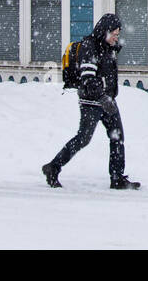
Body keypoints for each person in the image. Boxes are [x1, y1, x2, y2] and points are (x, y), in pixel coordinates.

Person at [43, 13, 139, 190]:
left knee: (117, 137)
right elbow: (88, 78)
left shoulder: (108, 47)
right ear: (105, 31)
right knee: (83, 138)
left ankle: (117, 178)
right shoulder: (91, 47)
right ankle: (53, 167)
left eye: (118, 35)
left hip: (108, 101)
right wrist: (102, 97)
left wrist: (108, 97)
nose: (116, 38)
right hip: (91, 102)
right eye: (114, 34)